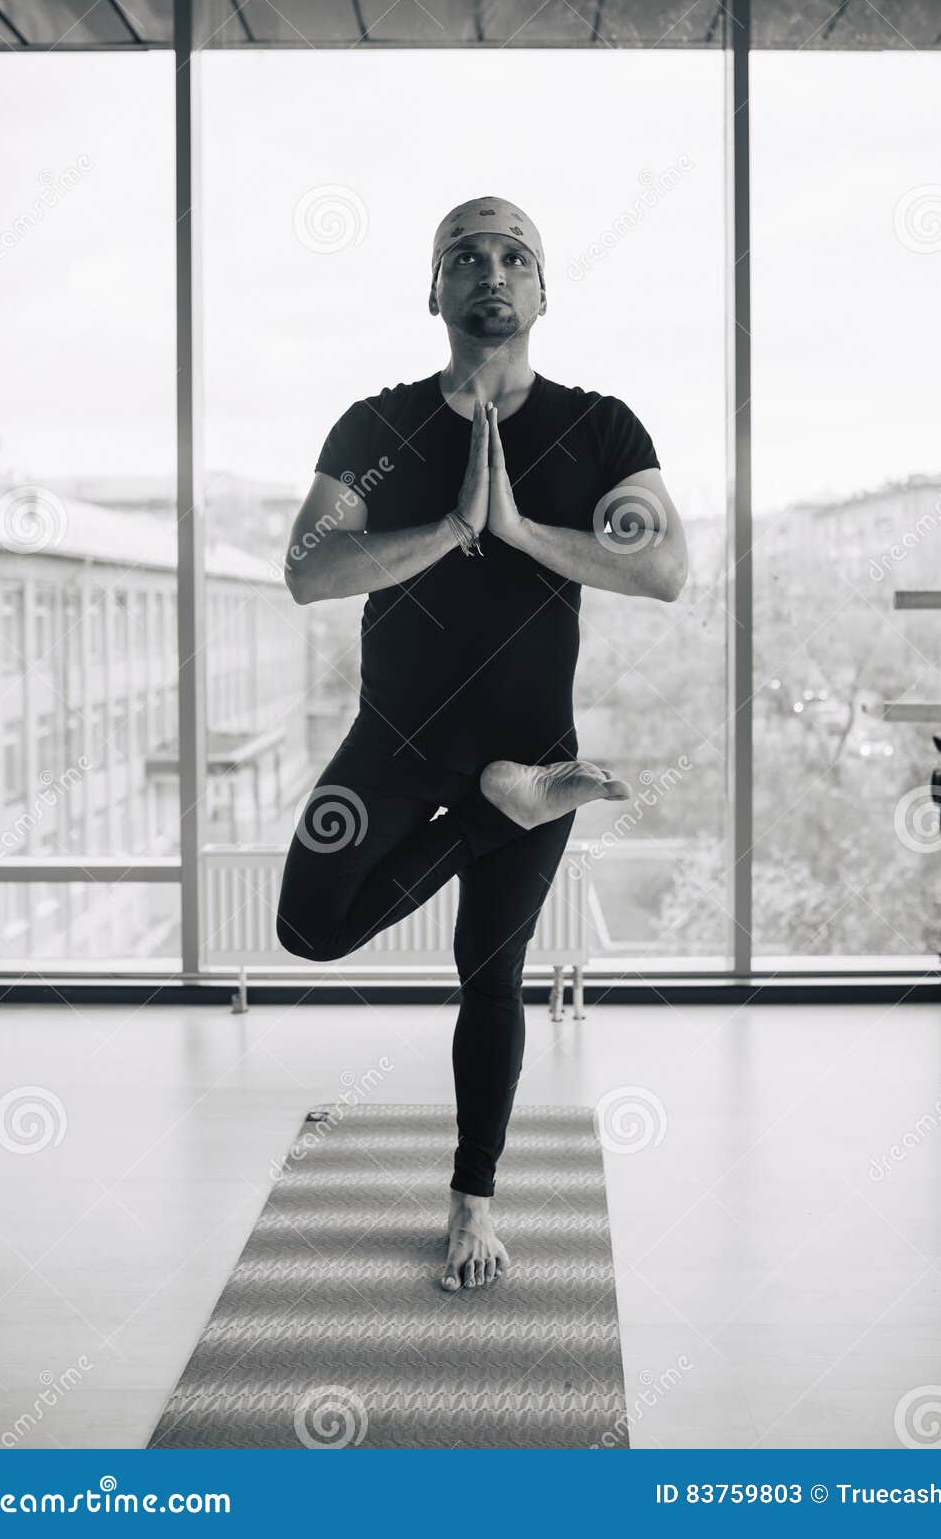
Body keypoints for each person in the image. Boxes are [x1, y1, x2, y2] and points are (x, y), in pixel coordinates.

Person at [277, 196, 688, 1292]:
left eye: (515, 256)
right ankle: (506, 804)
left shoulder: (601, 427)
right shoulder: (372, 428)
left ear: (543, 290)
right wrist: (453, 527)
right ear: (435, 291)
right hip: (395, 747)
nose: (491, 271)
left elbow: (663, 568)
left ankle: (474, 1205)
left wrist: (516, 530)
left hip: (530, 736)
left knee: (489, 973)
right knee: (308, 929)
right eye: (465, 255)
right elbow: (309, 570)